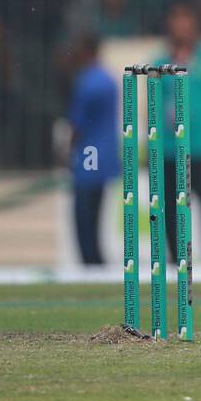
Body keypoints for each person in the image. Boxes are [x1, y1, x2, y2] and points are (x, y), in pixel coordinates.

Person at [154, 4, 201, 262]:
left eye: (186, 22)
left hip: (200, 148)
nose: (181, 28)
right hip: (168, 149)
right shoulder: (160, 63)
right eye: (176, 22)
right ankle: (177, 263)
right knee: (172, 210)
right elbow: (150, 107)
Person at [66, 32, 120, 265]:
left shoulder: (86, 82)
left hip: (88, 159)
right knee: (95, 217)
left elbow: (77, 125)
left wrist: (66, 153)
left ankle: (91, 264)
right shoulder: (108, 79)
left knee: (83, 221)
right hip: (105, 156)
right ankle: (96, 263)